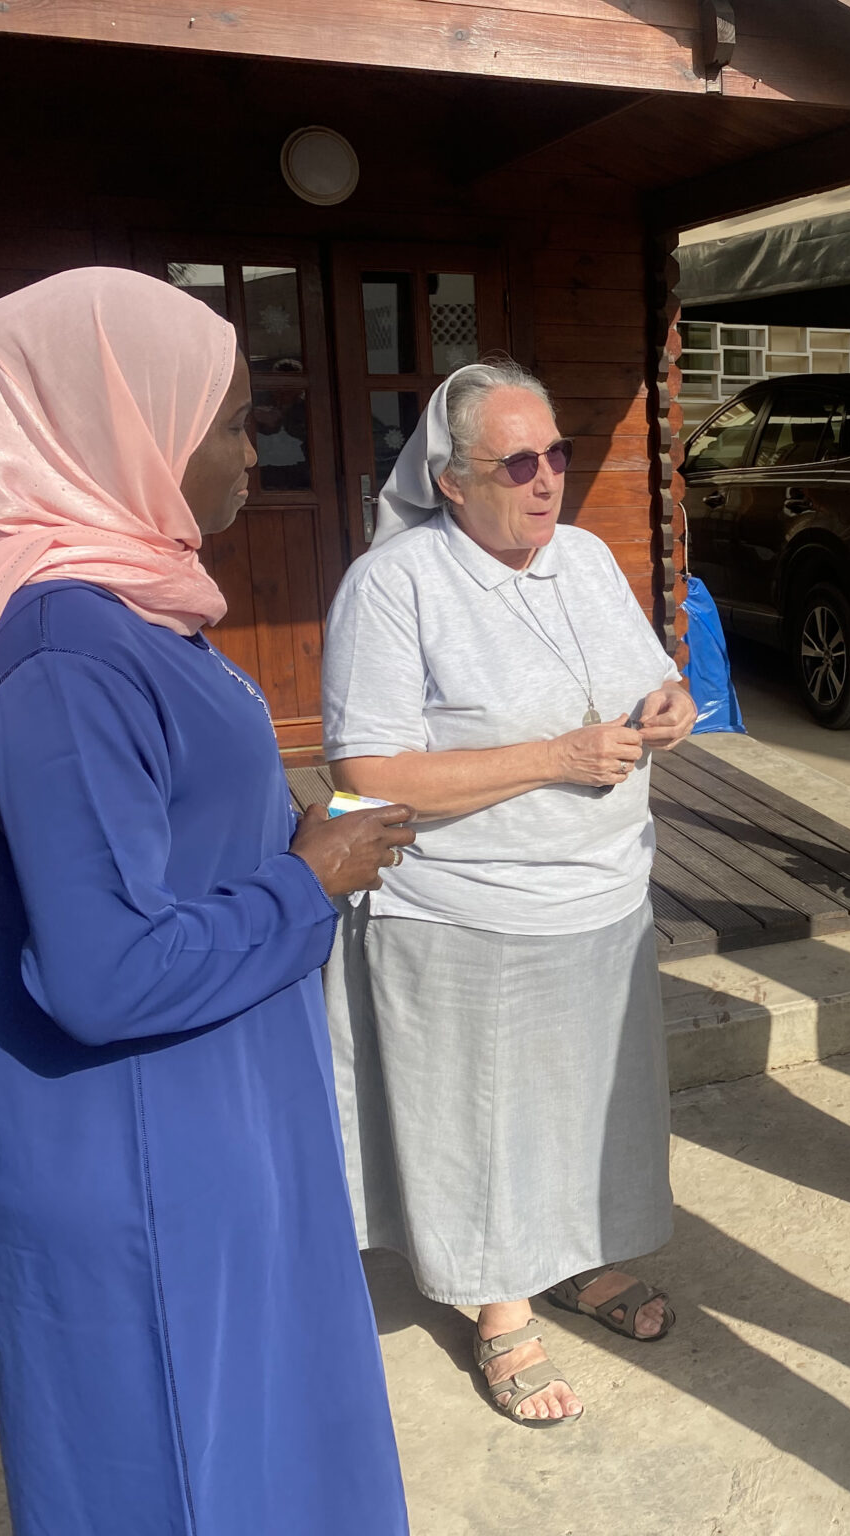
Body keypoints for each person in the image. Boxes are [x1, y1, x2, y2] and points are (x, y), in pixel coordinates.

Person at [0, 269, 416, 1535]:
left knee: (261, 1448)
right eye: (222, 419)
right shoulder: (59, 655)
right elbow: (103, 970)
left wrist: (286, 843)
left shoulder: (124, 605)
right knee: (179, 1472)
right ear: (125, 429)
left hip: (215, 1103)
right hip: (139, 1147)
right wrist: (304, 879)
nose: (249, 448)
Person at [321, 359, 696, 1427]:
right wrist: (554, 758)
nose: (547, 481)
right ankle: (500, 1310)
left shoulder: (578, 557)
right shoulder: (394, 586)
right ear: (448, 481)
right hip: (466, 909)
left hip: (602, 892)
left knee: (582, 1107)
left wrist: (664, 704)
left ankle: (570, 1258)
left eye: (557, 456)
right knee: (484, 1123)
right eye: (517, 463)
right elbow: (367, 776)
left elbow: (646, 675)